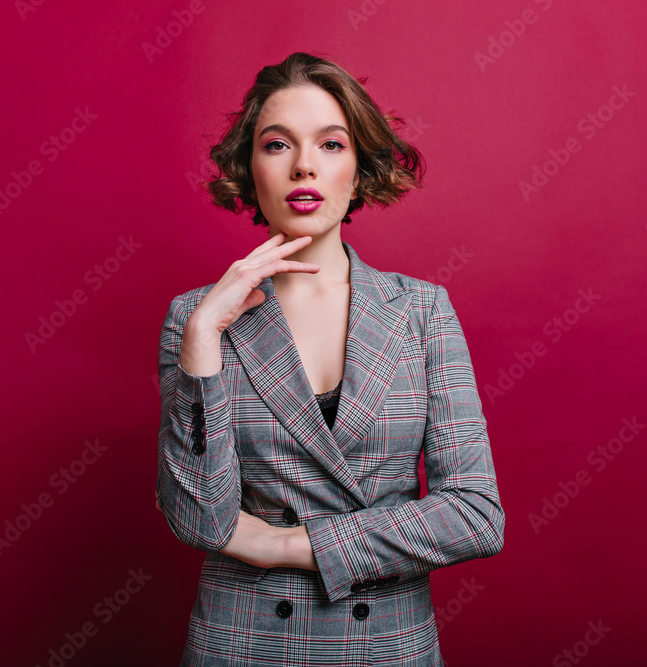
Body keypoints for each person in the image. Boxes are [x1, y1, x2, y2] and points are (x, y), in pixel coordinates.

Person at [156, 51, 504, 666]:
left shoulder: (420, 312)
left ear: (360, 168)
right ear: (249, 170)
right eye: (277, 145)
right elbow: (201, 522)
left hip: (386, 646)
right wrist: (205, 335)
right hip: (242, 646)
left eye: (331, 144)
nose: (304, 167)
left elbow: (475, 515)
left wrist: (286, 545)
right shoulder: (196, 317)